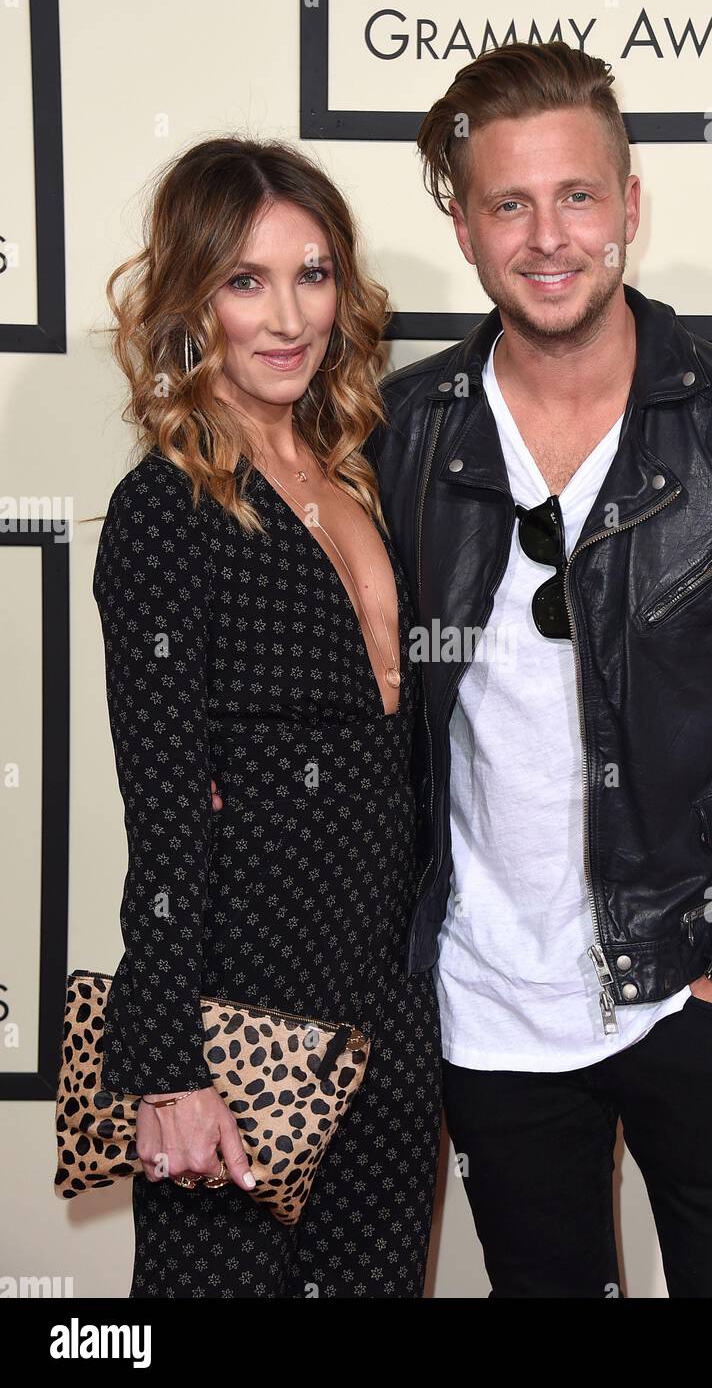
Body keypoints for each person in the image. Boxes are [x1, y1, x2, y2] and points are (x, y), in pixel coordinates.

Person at [366, 41, 712, 1296]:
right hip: (490, 1012)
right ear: (466, 225)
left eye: (578, 196)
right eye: (510, 203)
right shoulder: (405, 434)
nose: (550, 237)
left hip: (703, 995)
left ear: (630, 206)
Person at [92, 136, 442, 1298]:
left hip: (388, 1012)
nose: (289, 316)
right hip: (239, 1017)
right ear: (194, 298)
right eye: (247, 280)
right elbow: (165, 811)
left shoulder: (358, 474)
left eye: (313, 272)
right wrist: (166, 1062)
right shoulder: (165, 510)